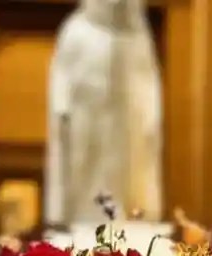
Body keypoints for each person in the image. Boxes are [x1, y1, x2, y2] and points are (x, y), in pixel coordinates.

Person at [45, 0, 163, 225]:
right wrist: (62, 104)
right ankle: (83, 217)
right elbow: (61, 74)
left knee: (124, 173)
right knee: (85, 170)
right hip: (85, 117)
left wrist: (150, 113)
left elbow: (148, 80)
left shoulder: (137, 37)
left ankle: (122, 218)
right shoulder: (76, 31)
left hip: (125, 123)